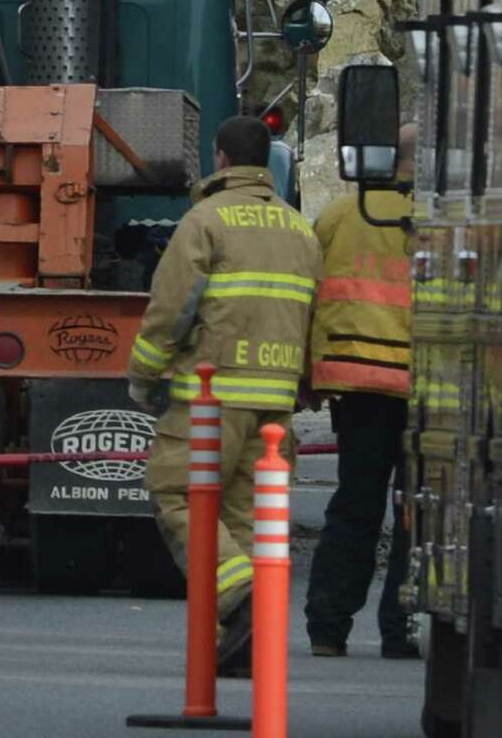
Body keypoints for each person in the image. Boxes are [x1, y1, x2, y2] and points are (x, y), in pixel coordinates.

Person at [127, 114, 323, 674]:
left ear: (219, 158)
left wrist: (144, 375)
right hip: (275, 403)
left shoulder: (204, 222)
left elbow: (172, 309)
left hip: (212, 398)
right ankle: (242, 643)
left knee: (179, 496)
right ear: (268, 163)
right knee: (244, 520)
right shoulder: (298, 230)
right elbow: (315, 313)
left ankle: (242, 602)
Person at [305, 124, 417, 660]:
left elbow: (308, 296)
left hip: (357, 384)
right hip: (426, 391)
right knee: (416, 512)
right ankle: (401, 629)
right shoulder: (441, 217)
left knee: (354, 505)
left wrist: (308, 376)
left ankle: (327, 628)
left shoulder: (341, 216)